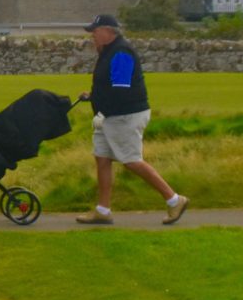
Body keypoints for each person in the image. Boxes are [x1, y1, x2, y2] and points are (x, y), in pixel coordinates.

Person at [74, 13, 188, 225]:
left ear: (108, 31)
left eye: (95, 32)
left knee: (131, 161)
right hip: (110, 115)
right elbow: (109, 86)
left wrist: (102, 111)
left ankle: (174, 200)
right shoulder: (108, 51)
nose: (92, 36)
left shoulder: (122, 52)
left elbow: (121, 90)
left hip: (125, 115)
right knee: (102, 158)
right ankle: (103, 210)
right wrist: (94, 98)